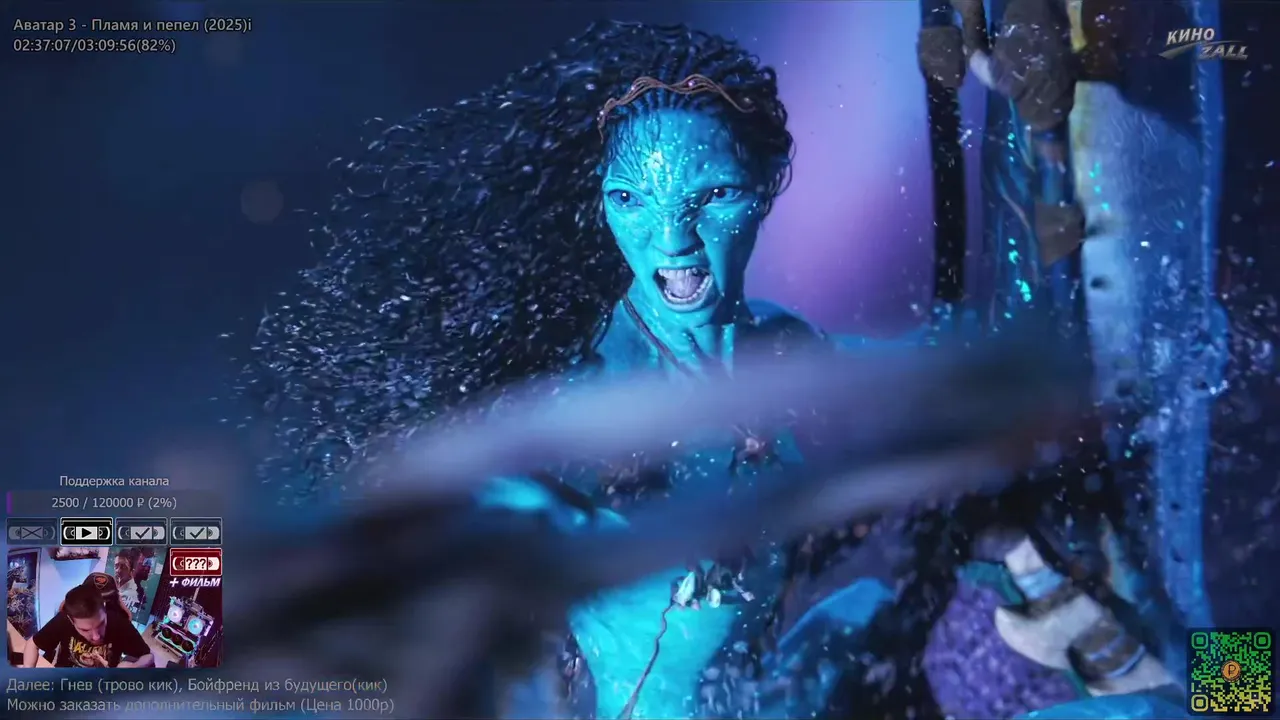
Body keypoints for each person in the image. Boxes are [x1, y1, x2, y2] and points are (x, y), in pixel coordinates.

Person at [249, 21, 1178, 720]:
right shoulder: (584, 397)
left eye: (713, 195)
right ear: (601, 206)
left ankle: (1221, 667)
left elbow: (932, 377)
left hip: (795, 689)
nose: (673, 242)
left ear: (766, 189)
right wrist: (152, 618)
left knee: (1172, 670)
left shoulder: (779, 347)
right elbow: (383, 539)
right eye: (631, 199)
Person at [21, 585, 153, 669]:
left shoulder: (119, 623)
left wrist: (135, 666)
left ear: (104, 609)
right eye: (85, 630)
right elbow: (32, 644)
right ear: (71, 621)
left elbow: (148, 656)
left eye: (101, 624)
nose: (96, 636)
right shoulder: (63, 620)